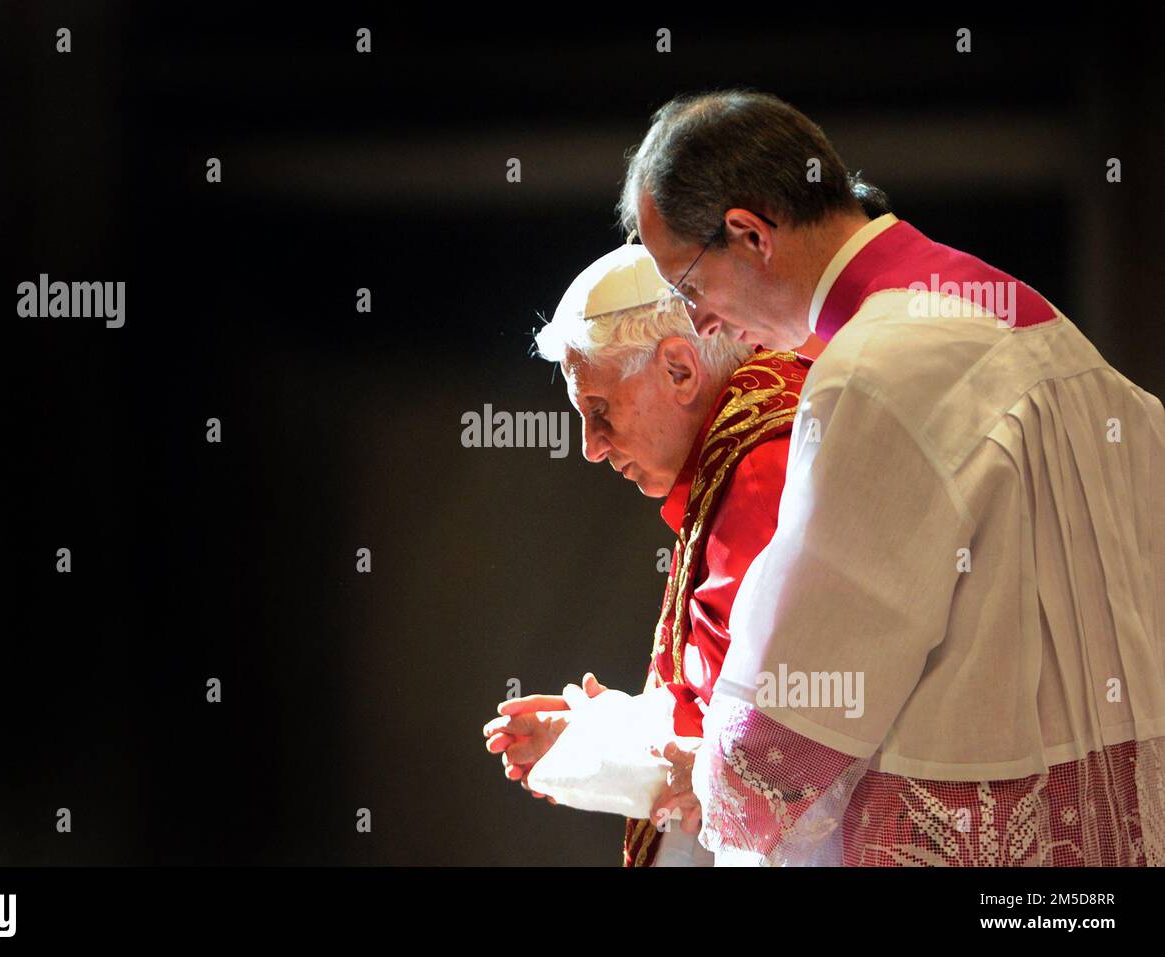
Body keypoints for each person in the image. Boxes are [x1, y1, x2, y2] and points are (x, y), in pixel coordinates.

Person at [621, 88, 1165, 865]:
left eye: (689, 287)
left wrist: (709, 774)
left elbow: (809, 684)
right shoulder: (1051, 335)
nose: (700, 322)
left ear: (748, 233)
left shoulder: (873, 369)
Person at [481, 242, 810, 865]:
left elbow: (749, 752)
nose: (591, 448)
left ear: (680, 370)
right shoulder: (746, 443)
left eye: (599, 412)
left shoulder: (762, 467)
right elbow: (721, 717)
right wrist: (591, 732)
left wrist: (582, 752)